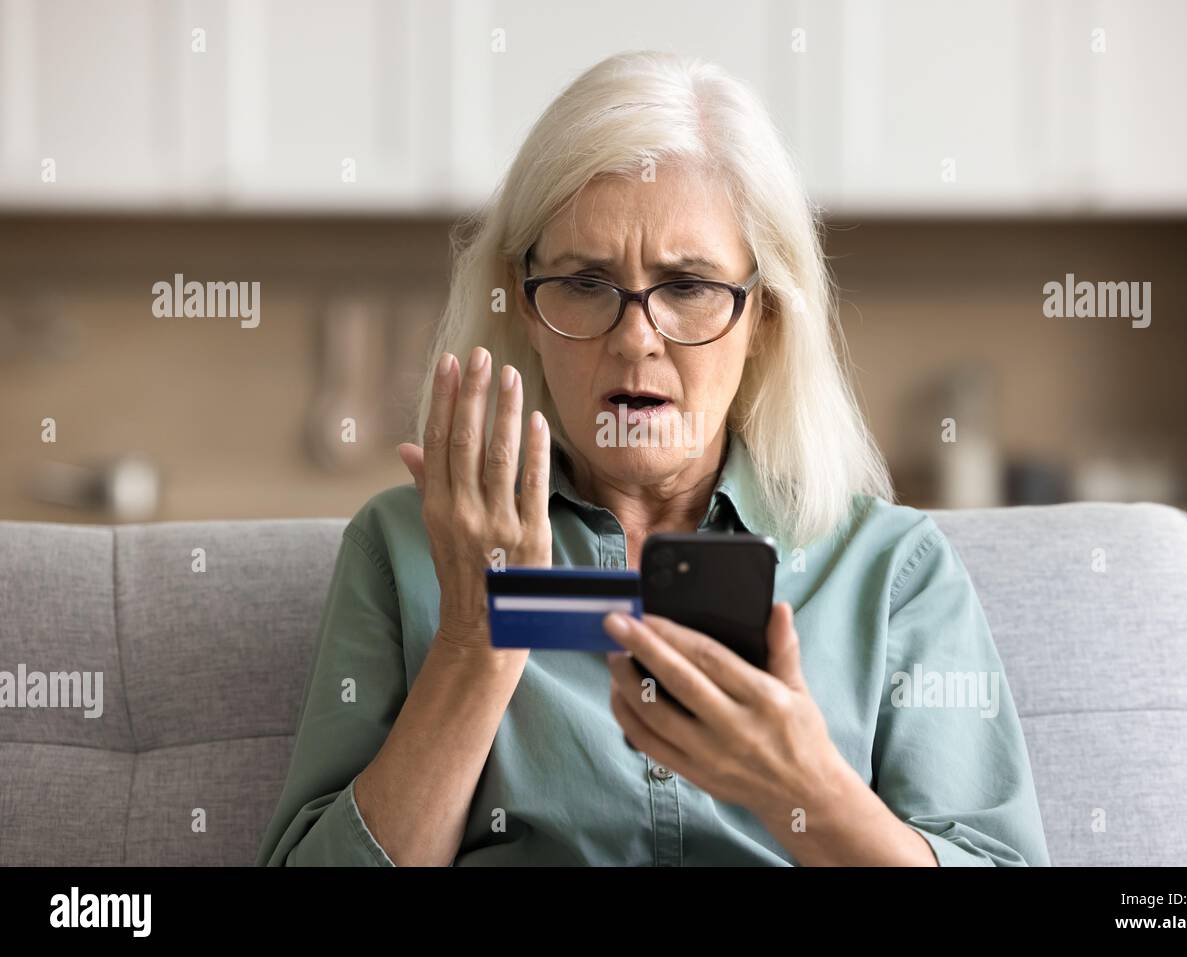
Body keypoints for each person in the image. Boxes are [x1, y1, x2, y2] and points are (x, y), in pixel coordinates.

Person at [256, 50, 1050, 867]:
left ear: (765, 317)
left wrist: (810, 790)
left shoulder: (889, 571)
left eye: (689, 285)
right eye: (585, 282)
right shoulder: (408, 549)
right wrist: (472, 641)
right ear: (522, 304)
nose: (636, 336)